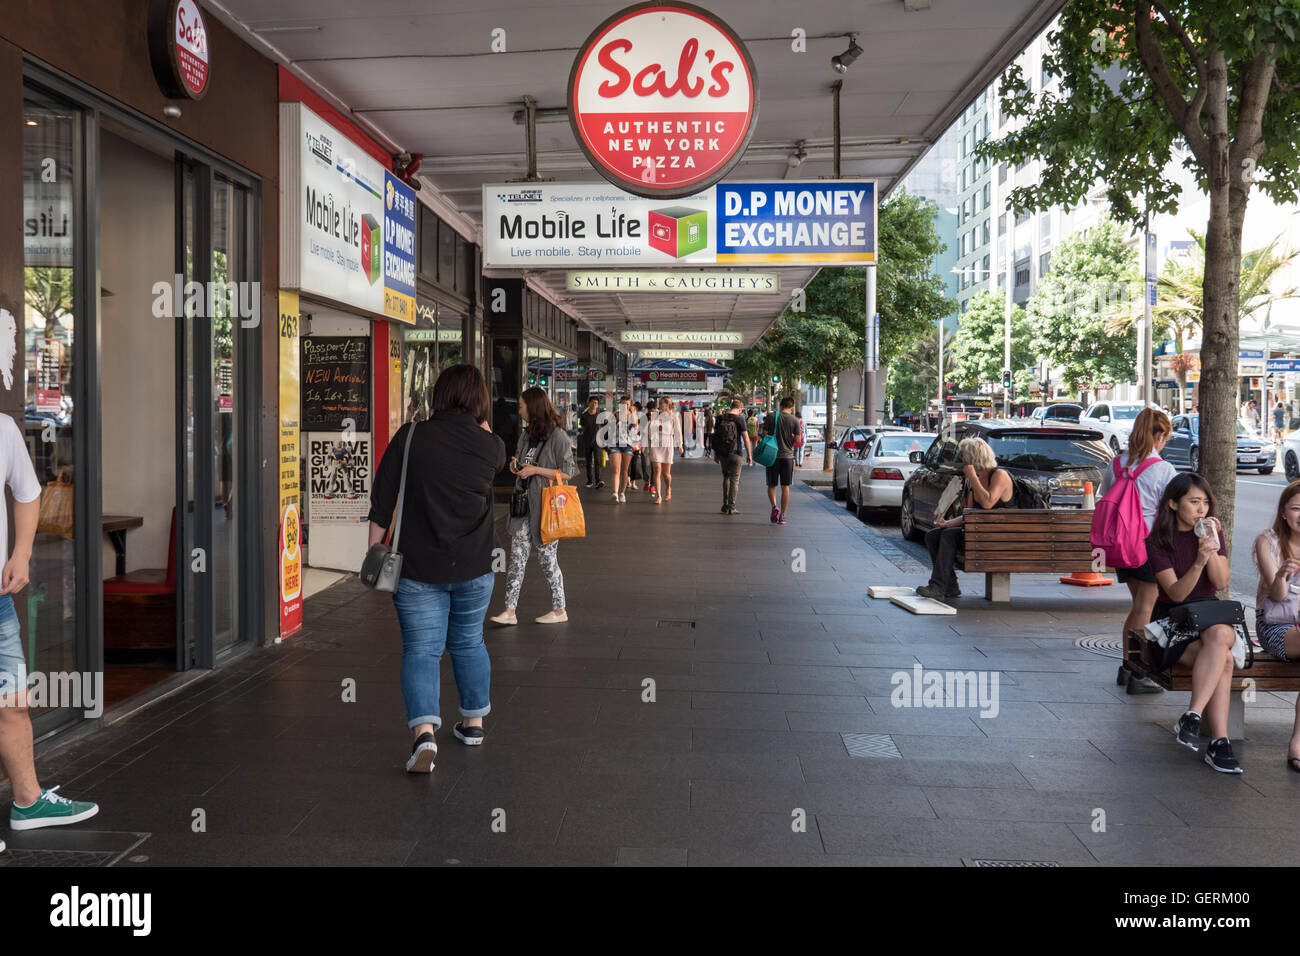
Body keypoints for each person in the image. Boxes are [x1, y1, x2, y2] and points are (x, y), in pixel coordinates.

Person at [368, 364, 505, 771]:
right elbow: (491, 449)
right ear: (480, 400)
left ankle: (424, 735)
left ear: (438, 394)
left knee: (422, 651)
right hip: (475, 567)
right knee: (469, 642)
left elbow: (383, 498)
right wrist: (481, 425)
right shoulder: (491, 447)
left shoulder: (411, 436)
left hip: (417, 568)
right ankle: (473, 724)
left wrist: (374, 550)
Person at [0, 419, 99, 843]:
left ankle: (28, 802)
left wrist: (21, 554)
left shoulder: (3, 429)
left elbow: (27, 492)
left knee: (13, 704)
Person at [1147, 474, 1240, 772]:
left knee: (1220, 635)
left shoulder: (1211, 532)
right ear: (1173, 504)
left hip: (1209, 616)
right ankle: (1219, 743)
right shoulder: (1158, 541)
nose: (1201, 509)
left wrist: (1210, 542)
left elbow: (1220, 582)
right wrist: (1199, 561)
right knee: (1224, 658)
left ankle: (1193, 715)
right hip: (1175, 621)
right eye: (1194, 502)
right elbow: (1175, 594)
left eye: (1205, 502)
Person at [1099, 407, 1177, 695]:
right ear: (1159, 435)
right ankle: (1139, 671)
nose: (1165, 442)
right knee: (1145, 608)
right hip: (1148, 544)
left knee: (1138, 606)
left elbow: (1106, 493)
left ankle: (1127, 665)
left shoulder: (1117, 463)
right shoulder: (1163, 469)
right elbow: (1172, 507)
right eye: (1166, 437)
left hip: (1122, 543)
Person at [491, 386, 576, 625]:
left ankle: (560, 609)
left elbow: (568, 472)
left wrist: (536, 470)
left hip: (546, 508)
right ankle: (510, 610)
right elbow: (522, 461)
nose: (519, 411)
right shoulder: (526, 435)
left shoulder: (558, 436)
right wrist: (516, 465)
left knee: (547, 559)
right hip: (523, 506)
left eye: (521, 406)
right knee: (517, 558)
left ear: (533, 407)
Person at [917, 437, 1014, 601]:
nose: (962, 462)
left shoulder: (999, 475)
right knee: (933, 535)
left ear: (973, 458)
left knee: (949, 535)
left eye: (964, 458)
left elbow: (988, 503)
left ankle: (937, 586)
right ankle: (950, 586)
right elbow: (970, 514)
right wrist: (947, 523)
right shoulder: (975, 478)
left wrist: (973, 478)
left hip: (999, 535)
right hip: (980, 532)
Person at [1253, 481, 1300, 772]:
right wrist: (1282, 575)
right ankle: (1298, 743)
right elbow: (1279, 596)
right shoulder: (1267, 541)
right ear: (1283, 512)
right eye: (1296, 508)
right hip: (1275, 625)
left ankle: (1298, 742)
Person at [762, 397, 801, 525]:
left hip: (772, 455)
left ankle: (774, 507)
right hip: (787, 457)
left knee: (771, 485)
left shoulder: (771, 416)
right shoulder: (795, 420)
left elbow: (764, 434)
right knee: (785, 486)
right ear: (792, 407)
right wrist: (790, 437)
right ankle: (783, 516)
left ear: (781, 405)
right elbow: (798, 441)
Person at [715, 399, 753, 514]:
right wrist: (749, 455)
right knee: (734, 480)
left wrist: (716, 453)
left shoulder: (720, 418)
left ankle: (725, 505)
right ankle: (731, 507)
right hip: (736, 453)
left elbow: (716, 437)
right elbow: (746, 439)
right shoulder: (740, 419)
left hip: (723, 453)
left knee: (726, 477)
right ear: (740, 409)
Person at [647, 396, 685, 504]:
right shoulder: (655, 416)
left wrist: (680, 444)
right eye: (659, 404)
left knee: (666, 474)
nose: (659, 405)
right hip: (656, 444)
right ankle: (659, 496)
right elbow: (650, 431)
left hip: (668, 443)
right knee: (657, 470)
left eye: (661, 403)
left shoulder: (673, 416)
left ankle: (668, 487)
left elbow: (678, 431)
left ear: (667, 405)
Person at [608, 395, 636, 503]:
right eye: (623, 404)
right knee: (616, 469)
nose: (625, 406)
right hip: (615, 444)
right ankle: (615, 493)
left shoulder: (632, 415)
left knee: (625, 470)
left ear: (630, 405)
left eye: (627, 404)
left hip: (628, 445)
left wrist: (633, 413)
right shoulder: (615, 414)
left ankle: (622, 493)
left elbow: (636, 425)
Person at [578, 397, 605, 490]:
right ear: (588, 404)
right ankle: (590, 481)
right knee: (588, 462)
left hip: (597, 442)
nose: (594, 404)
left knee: (597, 461)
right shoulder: (584, 415)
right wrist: (581, 431)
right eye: (592, 402)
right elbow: (582, 427)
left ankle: (598, 481)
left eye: (596, 403)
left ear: (597, 405)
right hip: (587, 441)